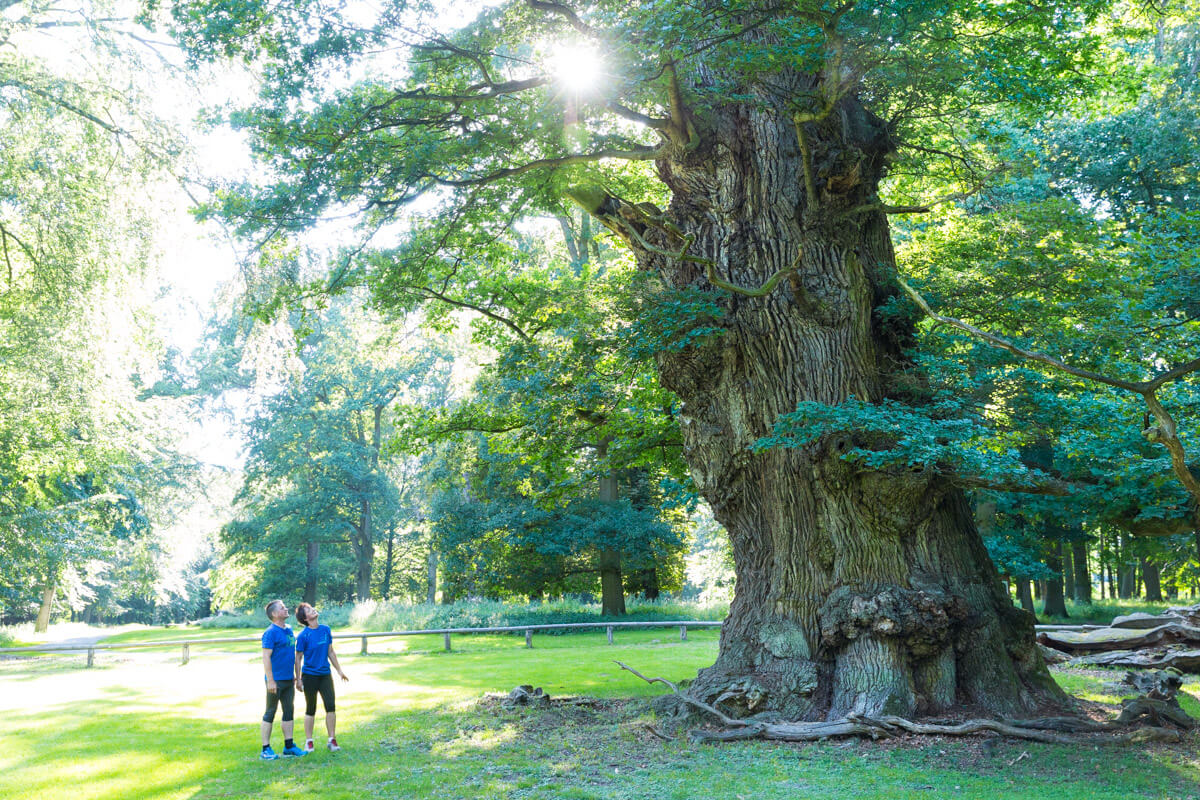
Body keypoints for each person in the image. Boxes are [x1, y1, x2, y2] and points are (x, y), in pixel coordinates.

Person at [294, 602, 349, 753]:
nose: (313, 610)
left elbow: (330, 652)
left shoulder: (326, 629)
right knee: (310, 708)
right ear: (305, 618)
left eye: (312, 608)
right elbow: (298, 658)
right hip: (309, 676)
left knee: (331, 706)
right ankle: (309, 741)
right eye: (309, 610)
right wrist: (298, 679)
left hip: (325, 675)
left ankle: (332, 739)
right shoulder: (303, 635)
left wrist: (339, 671)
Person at [260, 599, 306, 760]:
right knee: (270, 712)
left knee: (289, 711)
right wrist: (271, 681)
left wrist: (296, 677)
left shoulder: (289, 629)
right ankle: (265, 749)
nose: (286, 609)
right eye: (282, 608)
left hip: (288, 679)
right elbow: (266, 657)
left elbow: (291, 654)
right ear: (274, 614)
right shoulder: (270, 632)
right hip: (275, 680)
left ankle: (289, 746)